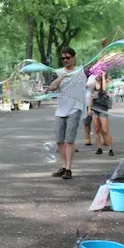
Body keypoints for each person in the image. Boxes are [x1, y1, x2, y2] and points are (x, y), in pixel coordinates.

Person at [48, 47, 87, 180]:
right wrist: (62, 77)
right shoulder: (58, 72)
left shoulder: (80, 71)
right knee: (60, 140)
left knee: (69, 140)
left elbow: (98, 65)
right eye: (63, 58)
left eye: (68, 58)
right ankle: (64, 166)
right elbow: (52, 87)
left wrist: (103, 47)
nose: (65, 60)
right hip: (61, 109)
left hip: (75, 108)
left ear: (73, 57)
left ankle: (69, 169)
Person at [90, 72, 114, 156]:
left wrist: (103, 77)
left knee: (105, 129)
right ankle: (99, 148)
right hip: (94, 108)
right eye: (97, 73)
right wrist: (89, 108)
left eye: (100, 74)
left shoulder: (105, 82)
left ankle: (110, 148)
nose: (98, 75)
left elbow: (104, 89)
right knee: (96, 129)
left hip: (103, 109)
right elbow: (91, 97)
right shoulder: (92, 85)